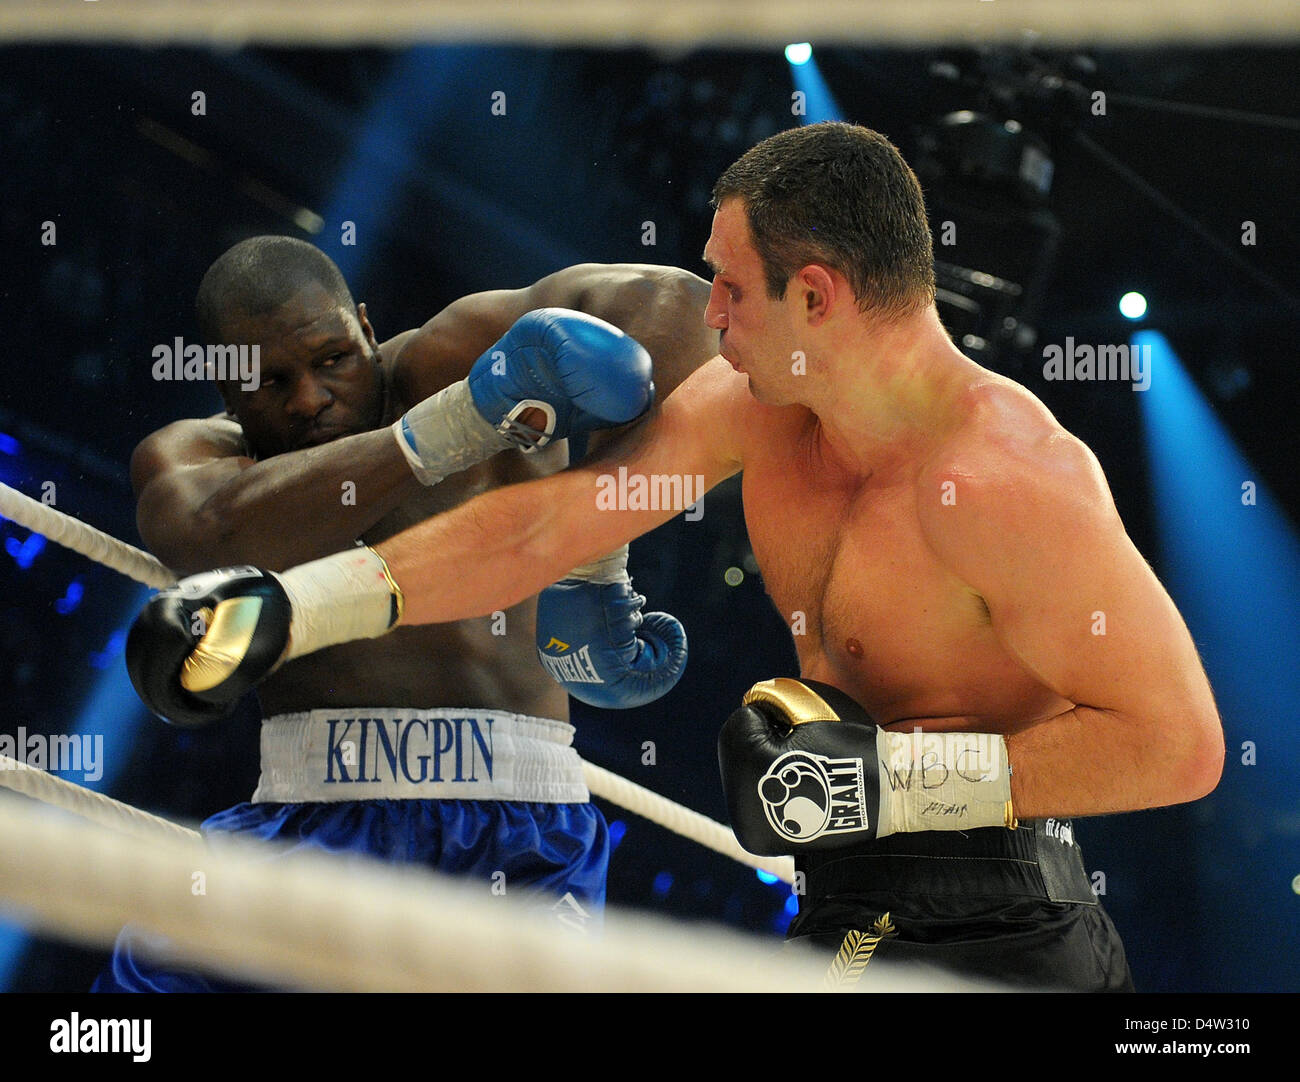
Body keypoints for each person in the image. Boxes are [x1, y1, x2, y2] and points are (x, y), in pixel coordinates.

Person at [130, 124, 1225, 991]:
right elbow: (546, 527)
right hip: (848, 899)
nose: (707, 315)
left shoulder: (1013, 479)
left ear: (816, 297)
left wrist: (895, 784)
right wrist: (299, 609)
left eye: (730, 287)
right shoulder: (754, 410)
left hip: (1003, 921)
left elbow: (1179, 746)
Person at [101, 238, 717, 991]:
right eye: (270, 382)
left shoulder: (446, 356)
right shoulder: (198, 455)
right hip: (311, 815)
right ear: (227, 392)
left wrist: (595, 548)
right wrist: (458, 422)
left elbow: (682, 311)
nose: (308, 398)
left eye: (332, 358)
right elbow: (211, 534)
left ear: (365, 327)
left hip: (516, 831)